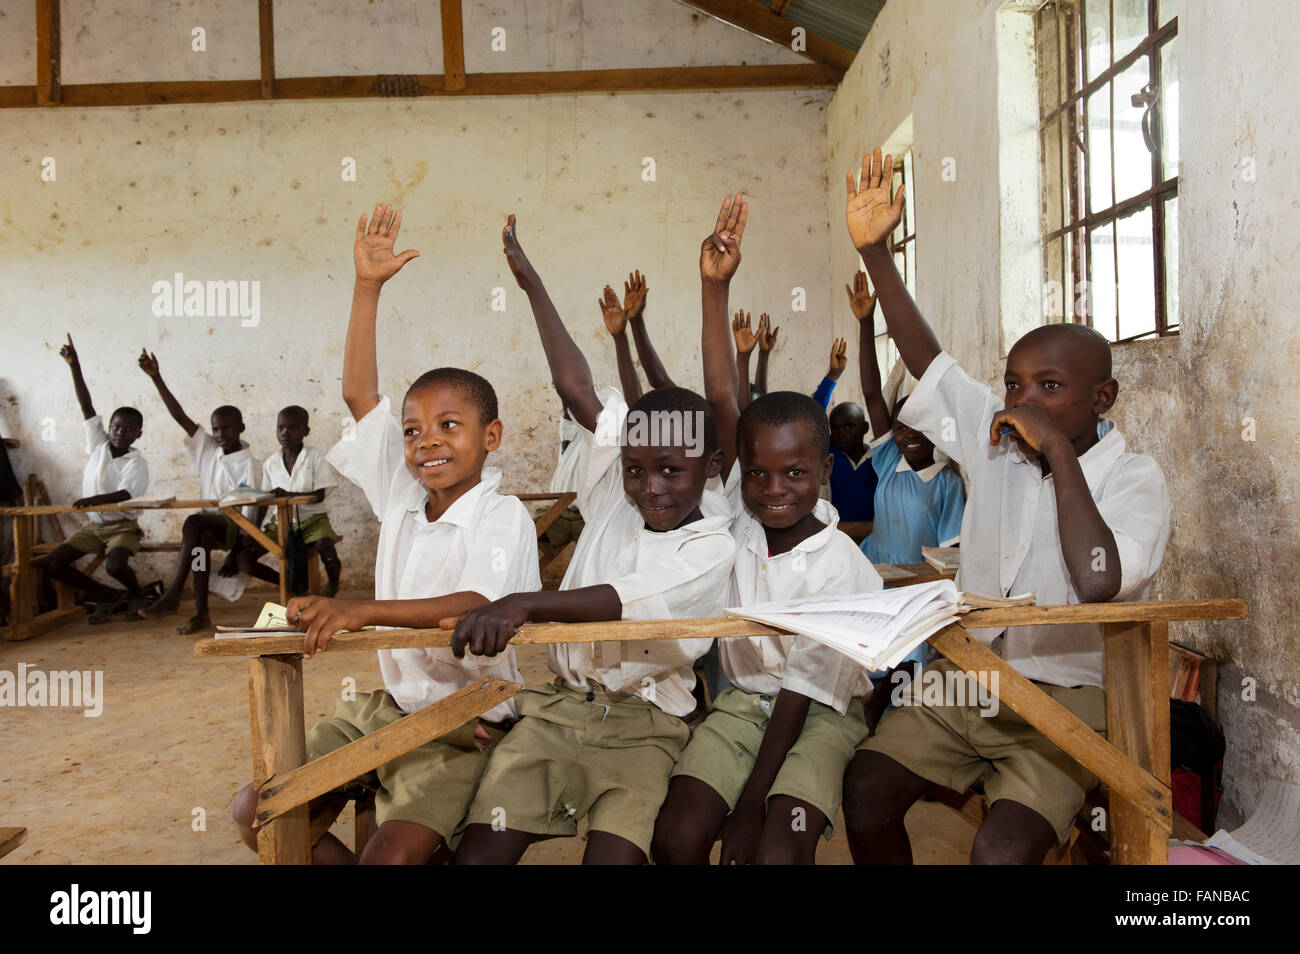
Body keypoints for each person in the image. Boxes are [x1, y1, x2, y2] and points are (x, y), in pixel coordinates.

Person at [840, 148, 1171, 865]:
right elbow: (932, 365)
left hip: (1069, 696)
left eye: (1049, 387)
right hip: (968, 678)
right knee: (864, 786)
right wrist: (877, 254)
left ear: (1101, 399)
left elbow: (1097, 580)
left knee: (1001, 850)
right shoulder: (992, 439)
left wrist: (1057, 454)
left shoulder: (1134, 478)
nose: (1023, 402)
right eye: (1015, 385)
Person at [232, 204, 540, 864]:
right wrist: (367, 287)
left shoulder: (501, 515)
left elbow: (473, 606)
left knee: (391, 857)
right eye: (412, 430)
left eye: (449, 425)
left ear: (491, 437)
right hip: (388, 706)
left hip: (467, 718)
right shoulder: (402, 494)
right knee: (258, 813)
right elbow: (359, 396)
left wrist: (357, 609)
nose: (426, 439)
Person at [448, 214, 734, 866]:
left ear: (710, 467)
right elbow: (574, 385)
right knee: (480, 851)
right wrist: (532, 284)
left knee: (616, 858)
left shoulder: (712, 546)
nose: (651, 486)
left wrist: (524, 603)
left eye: (672, 470)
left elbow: (619, 600)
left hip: (645, 723)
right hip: (557, 709)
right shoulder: (615, 494)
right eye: (636, 468)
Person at [44, 334, 151, 622]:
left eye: (128, 430)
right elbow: (86, 406)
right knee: (53, 564)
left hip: (121, 526)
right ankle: (107, 594)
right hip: (93, 526)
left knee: (115, 565)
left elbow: (126, 495)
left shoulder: (136, 462)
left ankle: (137, 593)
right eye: (116, 427)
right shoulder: (98, 445)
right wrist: (74, 366)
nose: (119, 433)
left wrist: (95, 499)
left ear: (138, 433)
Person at [258, 405, 343, 597]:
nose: (285, 432)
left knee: (327, 550)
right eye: (280, 428)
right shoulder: (270, 463)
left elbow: (319, 495)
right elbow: (265, 499)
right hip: (280, 524)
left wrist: (287, 494)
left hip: (312, 521)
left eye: (293, 428)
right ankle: (290, 585)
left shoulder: (315, 457)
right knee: (243, 559)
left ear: (306, 431)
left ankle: (333, 584)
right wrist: (253, 530)